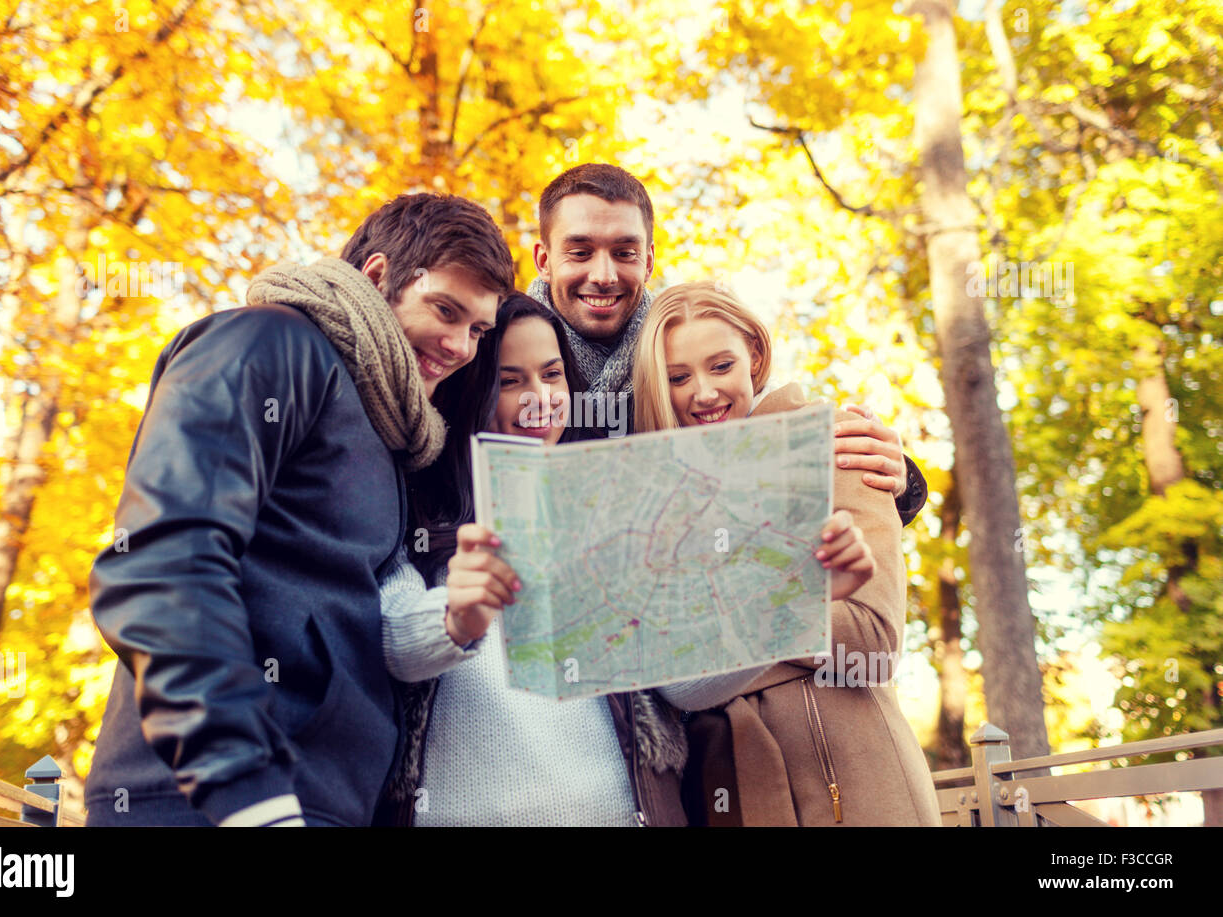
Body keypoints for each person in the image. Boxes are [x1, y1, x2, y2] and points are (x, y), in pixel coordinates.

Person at [84, 193, 513, 827]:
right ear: (376, 275)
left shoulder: (388, 432)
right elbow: (161, 562)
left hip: (319, 804)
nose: (459, 346)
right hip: (208, 800)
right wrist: (244, 790)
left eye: (477, 330)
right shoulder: (269, 342)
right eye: (445, 310)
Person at [371, 292, 877, 826]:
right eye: (511, 379)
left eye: (552, 374)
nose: (539, 398)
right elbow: (390, 639)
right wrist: (456, 619)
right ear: (469, 385)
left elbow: (680, 680)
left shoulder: (606, 509)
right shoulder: (411, 510)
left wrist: (796, 591)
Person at [631, 281, 941, 826]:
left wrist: (712, 627)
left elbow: (870, 637)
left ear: (754, 355)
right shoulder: (665, 500)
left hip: (850, 783)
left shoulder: (837, 444)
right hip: (725, 787)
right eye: (679, 377)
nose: (703, 393)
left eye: (721, 365)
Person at [527, 162, 926, 521]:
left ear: (648, 261)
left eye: (624, 252)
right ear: (544, 260)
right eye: (579, 252)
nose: (604, 275)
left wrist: (899, 479)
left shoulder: (680, 343)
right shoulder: (497, 354)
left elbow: (770, 441)